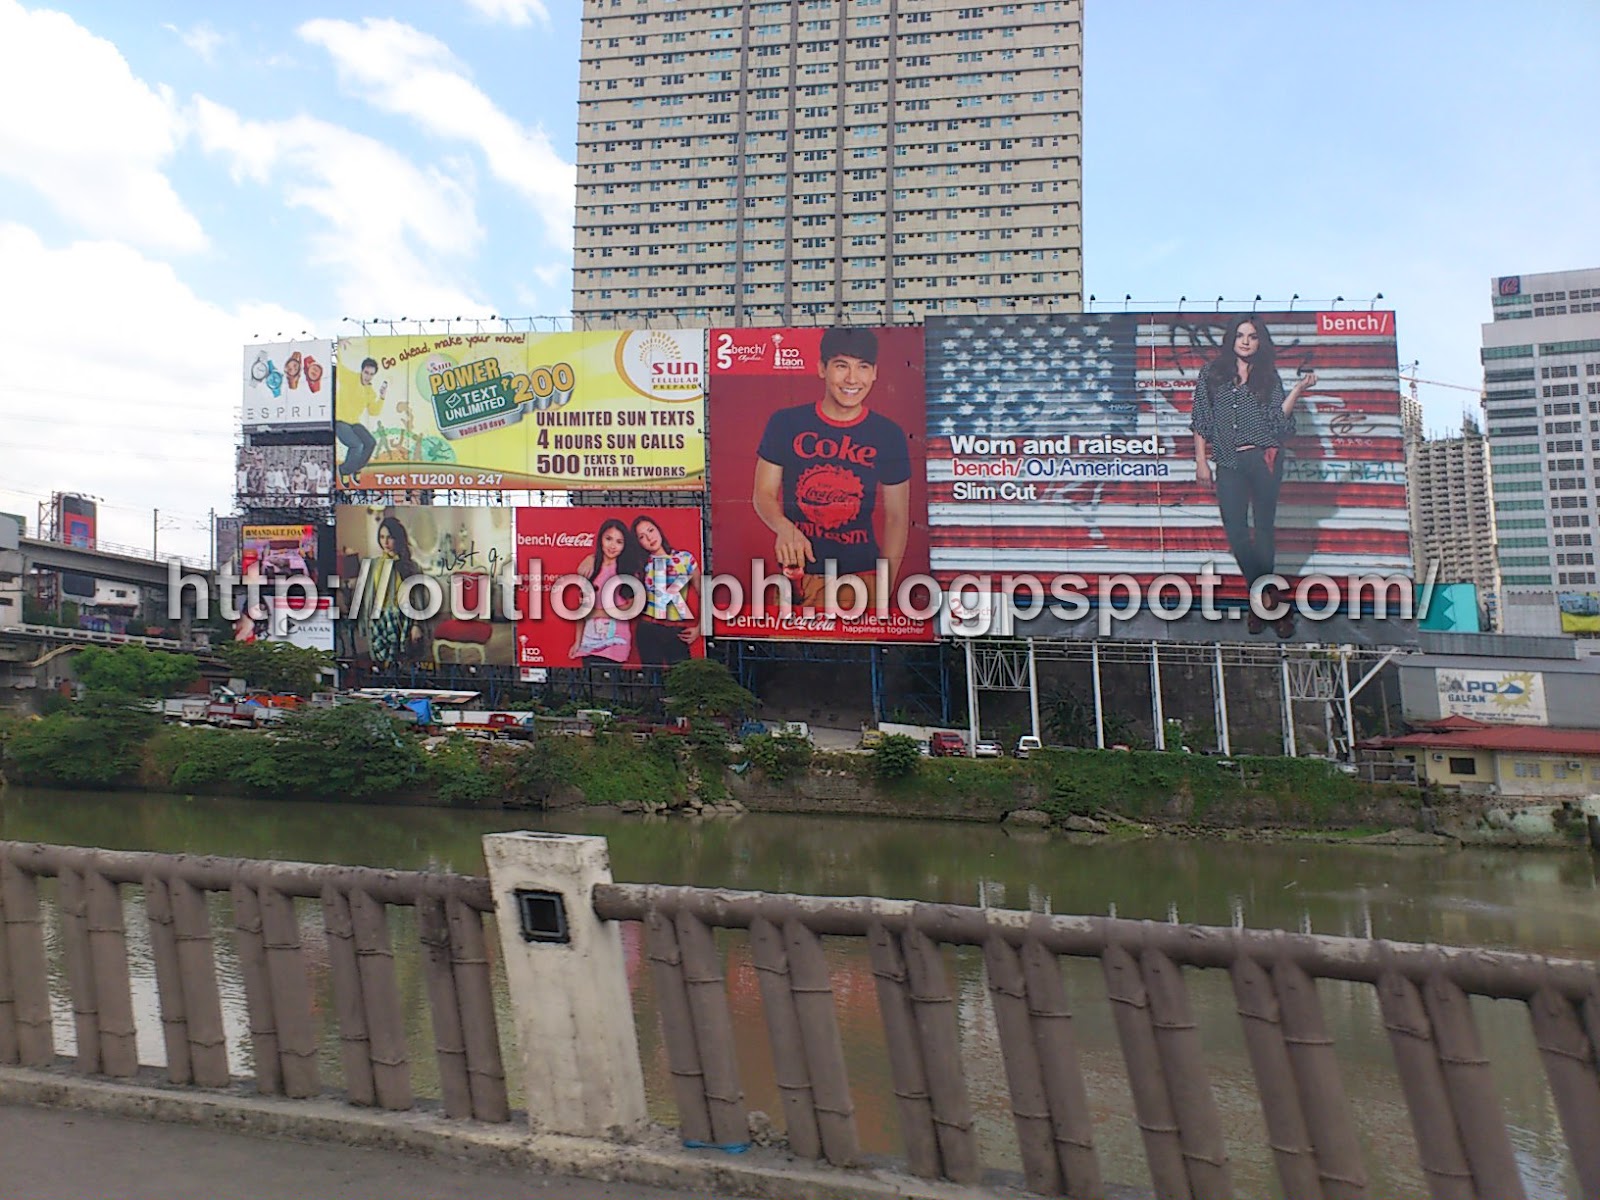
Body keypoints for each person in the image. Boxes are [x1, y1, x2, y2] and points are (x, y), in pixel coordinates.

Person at [751, 327, 910, 615]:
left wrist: (885, 589)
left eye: (862, 367)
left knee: (862, 660)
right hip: (800, 576)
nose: (852, 379)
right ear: (822, 369)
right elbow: (762, 493)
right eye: (841, 366)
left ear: (874, 373)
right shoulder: (786, 423)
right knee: (787, 657)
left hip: (863, 576)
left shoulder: (889, 434)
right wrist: (784, 527)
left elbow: (898, 516)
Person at [1190, 315, 1318, 637]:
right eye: (1241, 335)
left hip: (1264, 459)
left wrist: (1298, 390)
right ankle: (1270, 600)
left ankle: (1260, 603)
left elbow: (1278, 421)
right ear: (1231, 339)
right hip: (1229, 461)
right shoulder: (1212, 374)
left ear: (1260, 342)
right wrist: (1201, 461)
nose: (1246, 341)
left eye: (1253, 336)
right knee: (1235, 531)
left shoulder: (1268, 377)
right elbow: (1201, 419)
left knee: (1263, 529)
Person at [627, 514, 699, 667]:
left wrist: (700, 628)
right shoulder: (641, 563)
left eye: (651, 530)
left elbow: (705, 594)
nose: (649, 538)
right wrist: (592, 558)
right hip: (648, 628)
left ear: (658, 530)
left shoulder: (685, 558)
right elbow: (610, 554)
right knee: (653, 683)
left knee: (681, 679)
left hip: (675, 630)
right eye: (642, 536)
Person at [569, 519, 635, 665]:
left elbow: (632, 607)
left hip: (617, 642)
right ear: (600, 540)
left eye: (619, 542)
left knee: (613, 685)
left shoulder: (627, 570)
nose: (612, 546)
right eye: (608, 539)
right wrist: (578, 641)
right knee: (591, 685)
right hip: (589, 642)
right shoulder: (589, 568)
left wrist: (600, 613)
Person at [368, 515, 427, 667]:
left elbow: (419, 600)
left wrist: (417, 625)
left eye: (390, 537)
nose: (385, 542)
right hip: (382, 620)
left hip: (405, 620)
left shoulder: (411, 566)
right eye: (382, 537)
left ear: (398, 539)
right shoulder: (375, 565)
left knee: (408, 664)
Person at [336, 357, 384, 489]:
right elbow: (340, 366)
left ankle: (356, 468)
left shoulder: (370, 391)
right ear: (362, 371)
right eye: (366, 373)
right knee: (357, 445)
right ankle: (344, 470)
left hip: (354, 423)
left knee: (370, 442)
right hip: (340, 420)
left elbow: (373, 411)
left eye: (371, 374)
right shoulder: (350, 377)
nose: (368, 377)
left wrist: (382, 397)